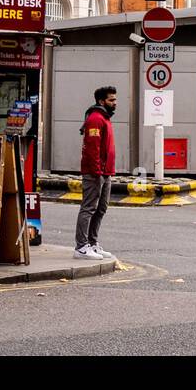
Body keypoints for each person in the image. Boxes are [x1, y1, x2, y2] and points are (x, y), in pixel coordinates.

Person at [74, 86, 117, 261]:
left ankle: (92, 243)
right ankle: (81, 247)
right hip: (95, 173)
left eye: (115, 99)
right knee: (89, 208)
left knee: (101, 208)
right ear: (101, 101)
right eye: (111, 100)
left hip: (105, 172)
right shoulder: (95, 119)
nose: (115, 103)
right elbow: (92, 149)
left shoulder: (105, 118)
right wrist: (98, 171)